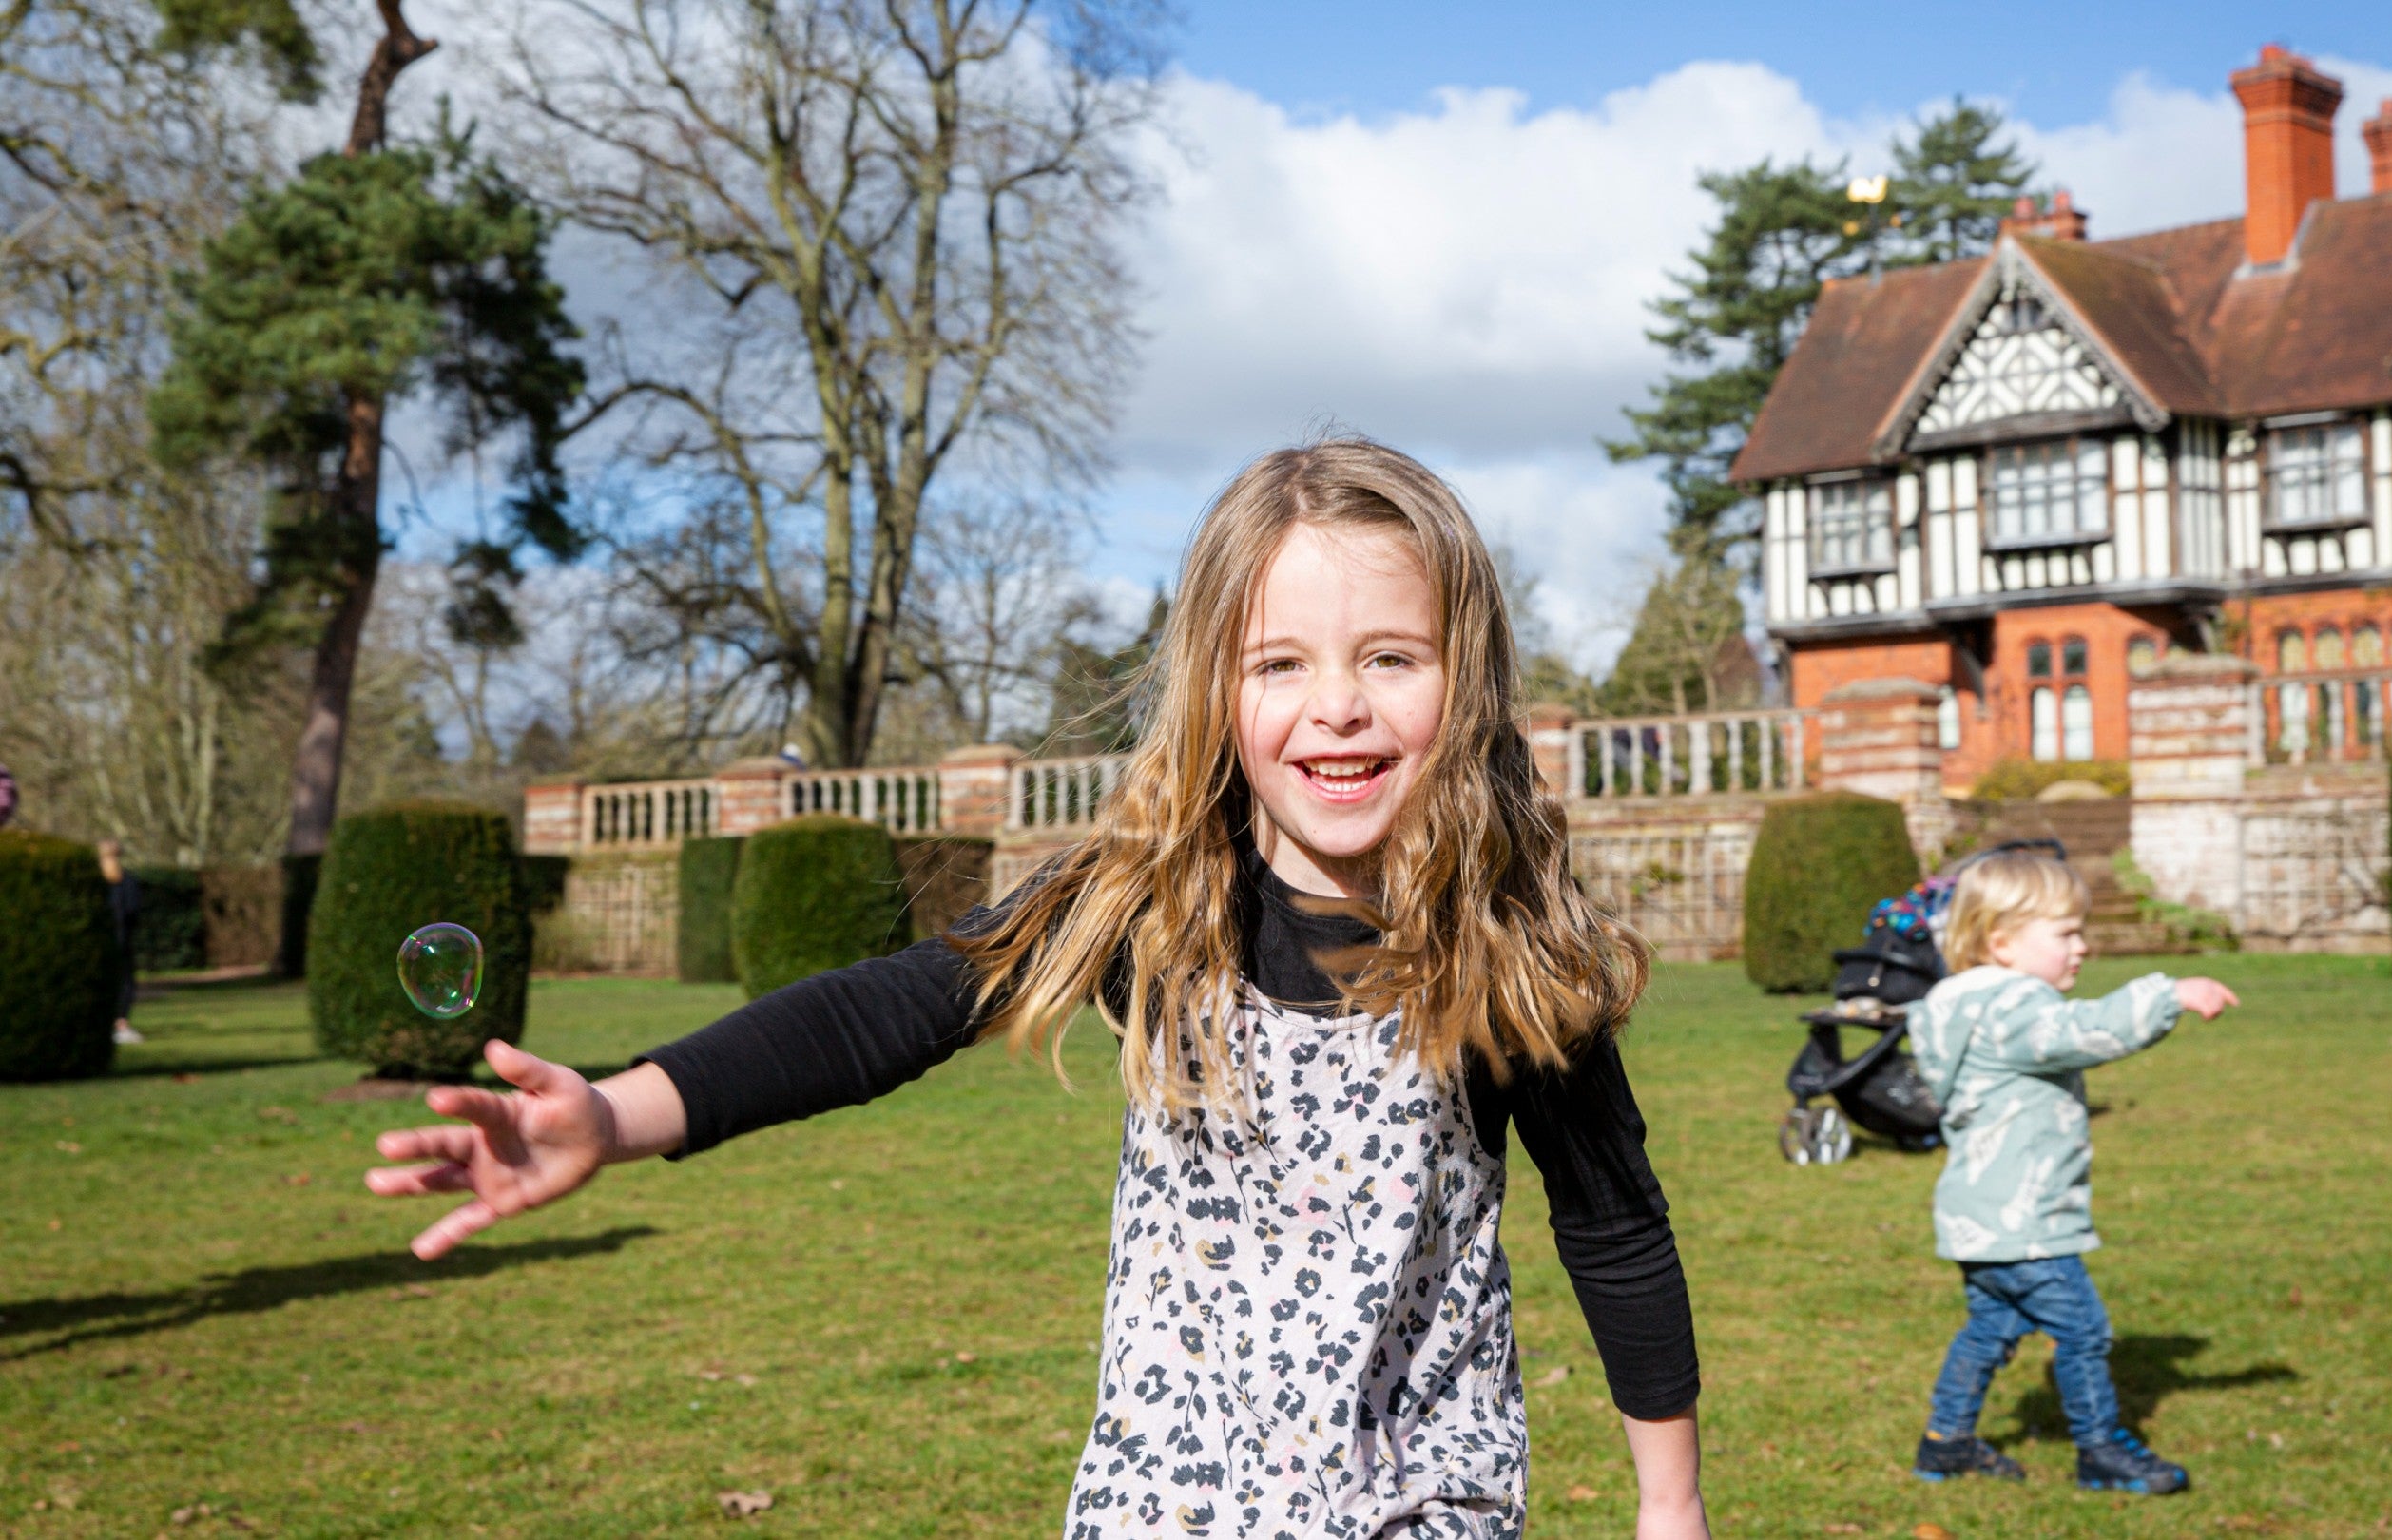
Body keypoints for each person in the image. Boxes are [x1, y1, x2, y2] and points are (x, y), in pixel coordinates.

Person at [364, 438, 1711, 1540]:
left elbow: (1617, 1228)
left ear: (1461, 678)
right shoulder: (1142, 901)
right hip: (1169, 1507)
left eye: (1391, 657)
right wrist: (612, 1114)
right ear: (1215, 689)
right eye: (1281, 663)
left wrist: (1670, 1508)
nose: (1338, 706)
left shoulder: (1515, 953)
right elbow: (881, 1012)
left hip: (1422, 1503)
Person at [1902, 851, 2236, 1496]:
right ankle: (2101, 1449)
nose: (2082, 947)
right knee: (2083, 1331)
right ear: (2000, 941)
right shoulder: (2012, 1008)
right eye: (2064, 933)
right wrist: (2170, 995)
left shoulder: (1962, 1005)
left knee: (1991, 1330)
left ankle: (1946, 1443)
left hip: (1980, 1218)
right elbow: (2085, 1030)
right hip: (2024, 1220)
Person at [100, 839, 146, 1047]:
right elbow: (134, 910)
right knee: (125, 980)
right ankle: (120, 1023)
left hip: (102, 939)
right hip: (121, 937)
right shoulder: (127, 880)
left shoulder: (94, 881)